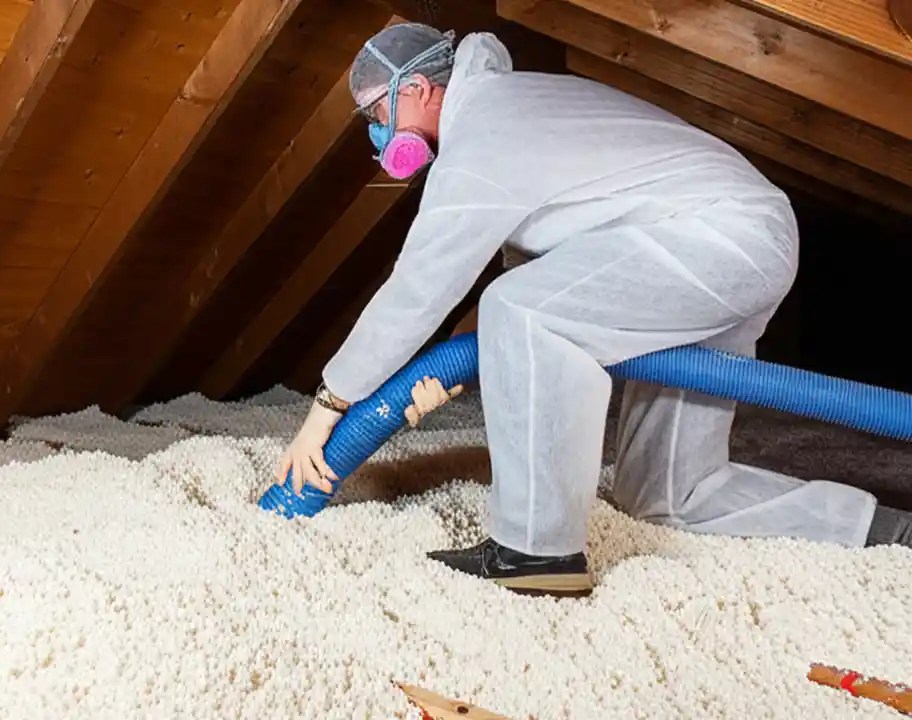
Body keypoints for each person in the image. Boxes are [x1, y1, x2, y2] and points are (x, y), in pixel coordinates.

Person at [275, 23, 912, 597]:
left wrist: (327, 407)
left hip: (719, 235)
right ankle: (884, 530)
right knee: (667, 493)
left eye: (377, 114)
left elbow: (418, 287)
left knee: (522, 312)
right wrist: (451, 367)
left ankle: (536, 551)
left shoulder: (483, 134)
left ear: (416, 89)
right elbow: (531, 274)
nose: (378, 135)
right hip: (730, 239)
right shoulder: (508, 112)